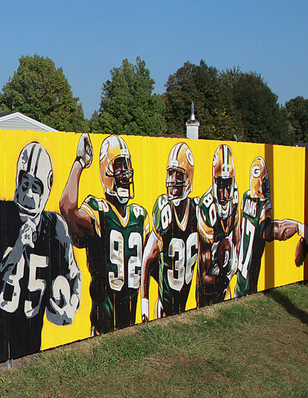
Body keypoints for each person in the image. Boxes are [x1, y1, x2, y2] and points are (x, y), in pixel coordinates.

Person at [0, 141, 80, 367]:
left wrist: (71, 303)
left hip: (30, 352)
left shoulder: (55, 227)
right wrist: (17, 249)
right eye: (24, 184)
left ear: (47, 187)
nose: (27, 194)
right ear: (16, 182)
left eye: (36, 187)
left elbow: (74, 276)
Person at [60, 134, 148, 335]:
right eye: (119, 166)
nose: (125, 173)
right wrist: (79, 164)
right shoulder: (98, 211)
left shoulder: (139, 215)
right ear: (106, 171)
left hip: (131, 322)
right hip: (103, 325)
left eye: (127, 166)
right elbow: (67, 207)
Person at [140, 142, 199, 321]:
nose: (173, 181)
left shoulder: (197, 210)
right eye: (171, 174)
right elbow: (147, 261)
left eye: (179, 175)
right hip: (164, 308)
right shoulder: (164, 210)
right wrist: (144, 305)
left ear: (189, 178)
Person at [234, 156, 302, 297]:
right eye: (264, 181)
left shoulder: (246, 197)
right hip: (249, 284)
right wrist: (298, 227)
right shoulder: (264, 205)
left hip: (240, 279)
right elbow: (272, 232)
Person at [196, 144, 240, 307]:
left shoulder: (234, 197)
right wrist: (222, 279)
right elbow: (205, 278)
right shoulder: (207, 207)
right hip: (212, 278)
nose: (225, 192)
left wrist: (232, 264)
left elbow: (237, 238)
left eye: (228, 184)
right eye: (221, 184)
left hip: (226, 272)